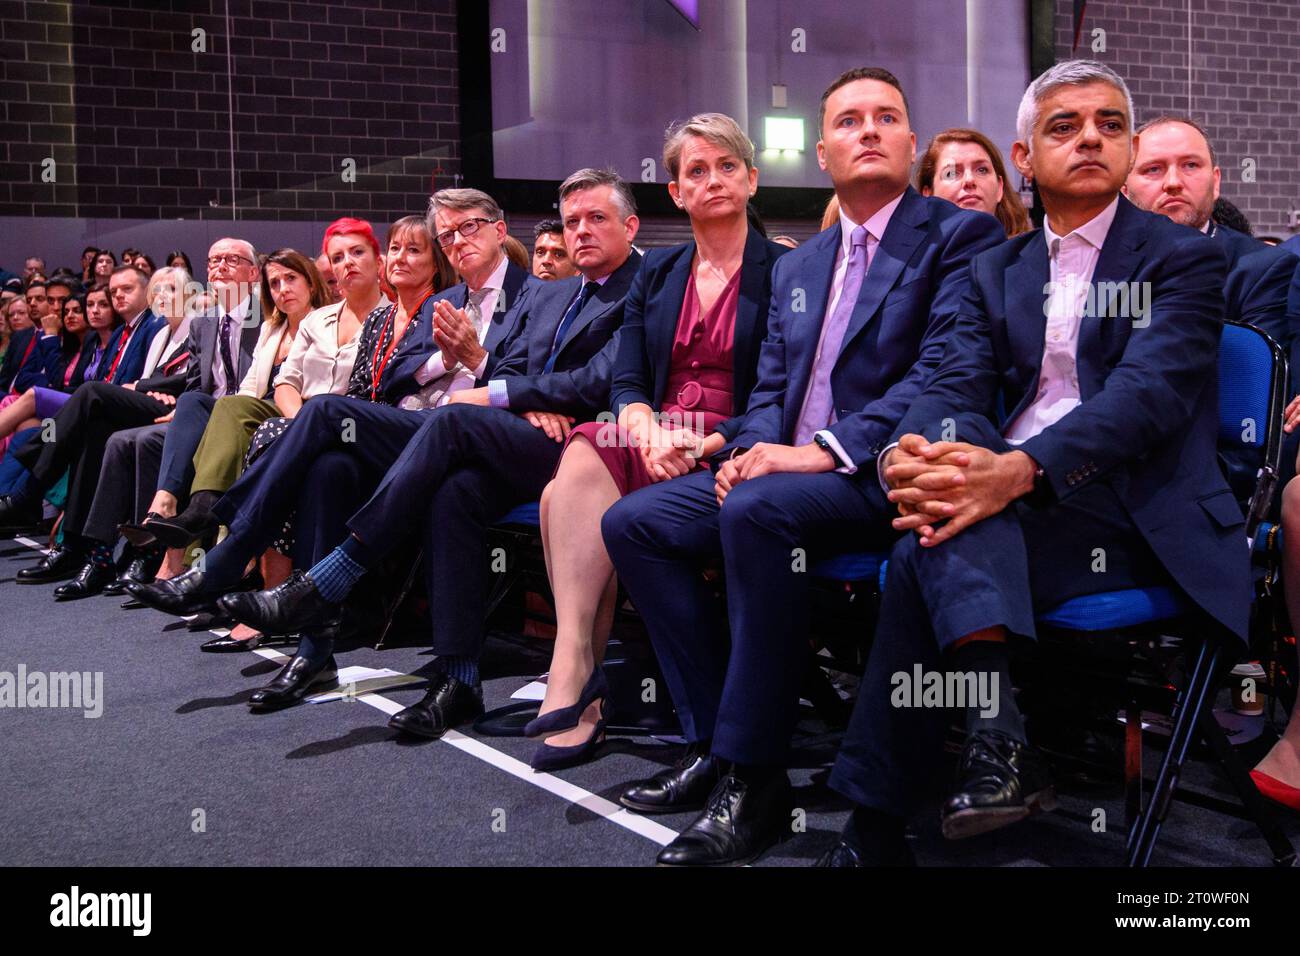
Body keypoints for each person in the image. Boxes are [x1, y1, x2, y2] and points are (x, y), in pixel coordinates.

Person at [816, 60, 1248, 867]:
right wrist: (917, 455)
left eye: (1109, 125)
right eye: (1064, 126)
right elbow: (953, 383)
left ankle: (897, 811)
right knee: (941, 515)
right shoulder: (998, 270)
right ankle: (988, 755)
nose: (1090, 138)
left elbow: (1143, 402)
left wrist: (1011, 473)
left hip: (1136, 507)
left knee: (933, 538)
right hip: (1015, 505)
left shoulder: (1181, 258)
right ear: (1025, 157)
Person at [600, 74, 1005, 867]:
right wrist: (740, 448)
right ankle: (719, 735)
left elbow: (944, 375)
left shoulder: (958, 236)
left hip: (880, 467)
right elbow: (772, 390)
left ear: (912, 144)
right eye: (849, 121)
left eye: (887, 118)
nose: (869, 131)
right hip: (790, 471)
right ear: (822, 153)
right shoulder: (802, 263)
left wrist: (819, 451)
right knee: (634, 523)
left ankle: (757, 779)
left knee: (758, 513)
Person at [219, 168, 645, 716]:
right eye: (571, 222)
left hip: (589, 447)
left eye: (596, 219)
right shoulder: (561, 292)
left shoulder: (641, 282)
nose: (579, 232)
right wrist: (516, 392)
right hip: (519, 436)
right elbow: (495, 367)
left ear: (631, 226)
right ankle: (457, 679)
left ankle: (323, 577)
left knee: (432, 419)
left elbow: (600, 380)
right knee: (446, 490)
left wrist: (502, 393)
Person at [126, 206, 513, 648]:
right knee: (323, 462)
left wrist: (452, 362)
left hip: (427, 431)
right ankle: (313, 646)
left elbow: (405, 386)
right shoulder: (386, 320)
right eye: (395, 249)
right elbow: (368, 384)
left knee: (315, 417)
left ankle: (226, 558)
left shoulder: (437, 307)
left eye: (415, 249)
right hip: (378, 430)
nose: (400, 257)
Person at [120, 250, 327, 587]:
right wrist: (225, 415)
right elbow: (247, 387)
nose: (282, 288)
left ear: (311, 283)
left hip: (302, 411)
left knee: (225, 414)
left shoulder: (323, 320)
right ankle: (178, 538)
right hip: (257, 407)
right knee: (206, 409)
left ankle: (192, 551)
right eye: (274, 283)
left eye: (291, 279)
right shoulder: (272, 329)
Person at [23, 269, 195, 588]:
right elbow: (148, 381)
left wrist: (145, 387)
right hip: (148, 404)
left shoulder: (196, 326)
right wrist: (146, 388)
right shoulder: (160, 335)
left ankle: (31, 488)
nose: (162, 296)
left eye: (171, 289)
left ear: (190, 293)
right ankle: (90, 552)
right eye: (157, 290)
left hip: (181, 408)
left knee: (90, 392)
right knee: (95, 433)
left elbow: (192, 379)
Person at [916, 127, 1031, 236]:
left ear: (999, 188)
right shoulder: (909, 255)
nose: (969, 179)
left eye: (982, 170)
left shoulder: (1034, 255)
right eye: (951, 173)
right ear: (928, 195)